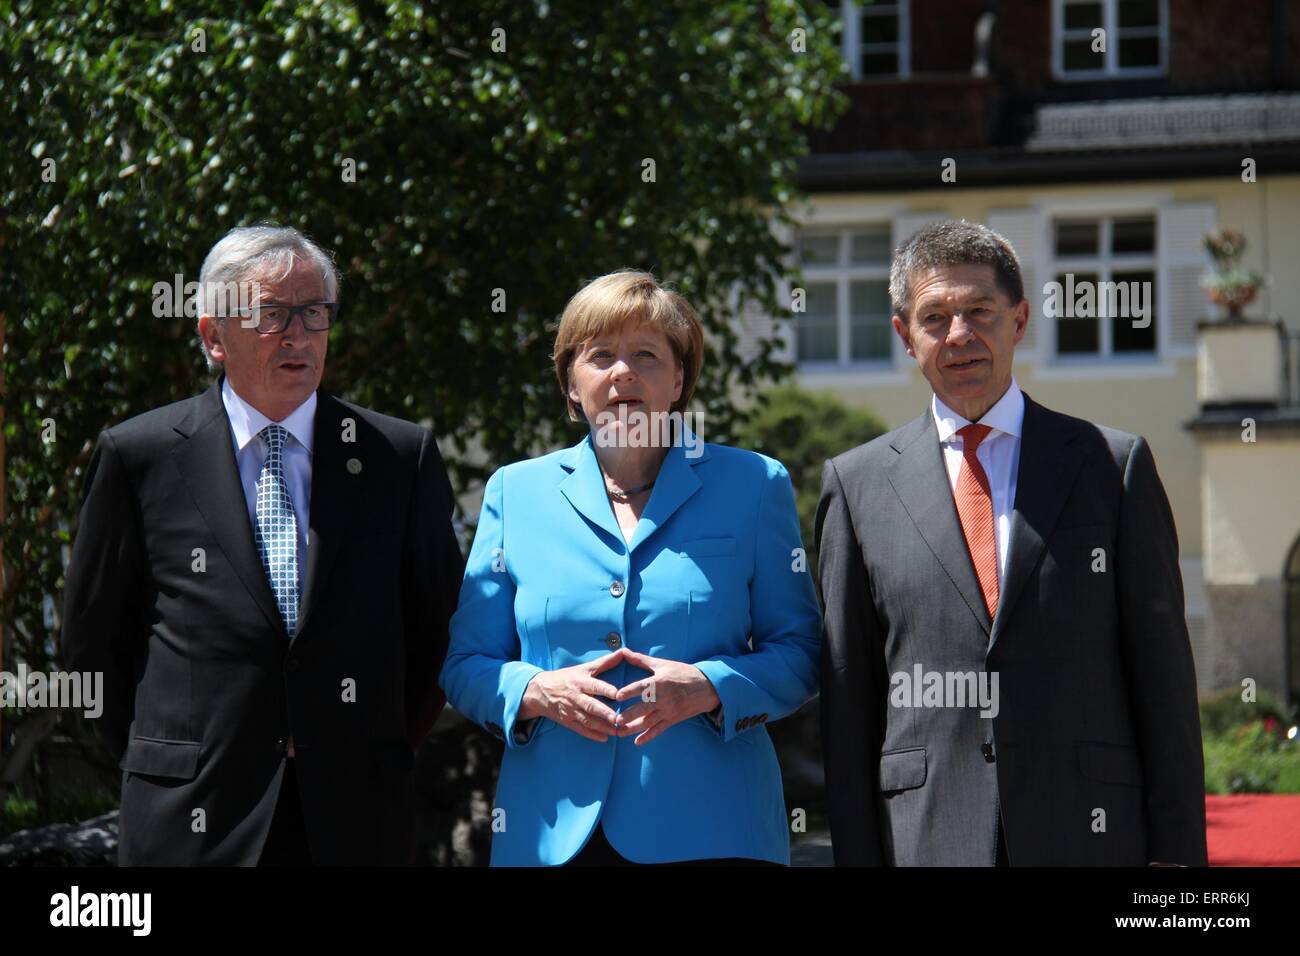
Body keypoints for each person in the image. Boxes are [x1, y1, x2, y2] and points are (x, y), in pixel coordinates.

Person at [62, 225, 464, 865]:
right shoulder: (140, 456)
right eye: (270, 314)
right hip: (193, 821)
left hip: (354, 818)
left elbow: (437, 634)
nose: (298, 335)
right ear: (213, 336)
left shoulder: (397, 458)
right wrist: (173, 755)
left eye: (314, 313)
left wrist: (362, 742)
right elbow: (91, 649)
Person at [817, 220, 1207, 866]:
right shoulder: (855, 489)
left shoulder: (1111, 467)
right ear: (904, 338)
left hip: (1088, 834)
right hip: (926, 835)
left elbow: (1164, 684)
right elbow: (847, 703)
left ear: (1019, 320)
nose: (959, 335)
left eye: (980, 311)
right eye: (934, 317)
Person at [440, 270, 821, 865]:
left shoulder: (753, 484)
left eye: (646, 354)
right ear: (571, 383)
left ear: (678, 380)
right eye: (600, 356)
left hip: (715, 832)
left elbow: (801, 653)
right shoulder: (515, 493)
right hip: (550, 836)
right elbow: (466, 666)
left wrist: (710, 687)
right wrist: (537, 690)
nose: (622, 373)